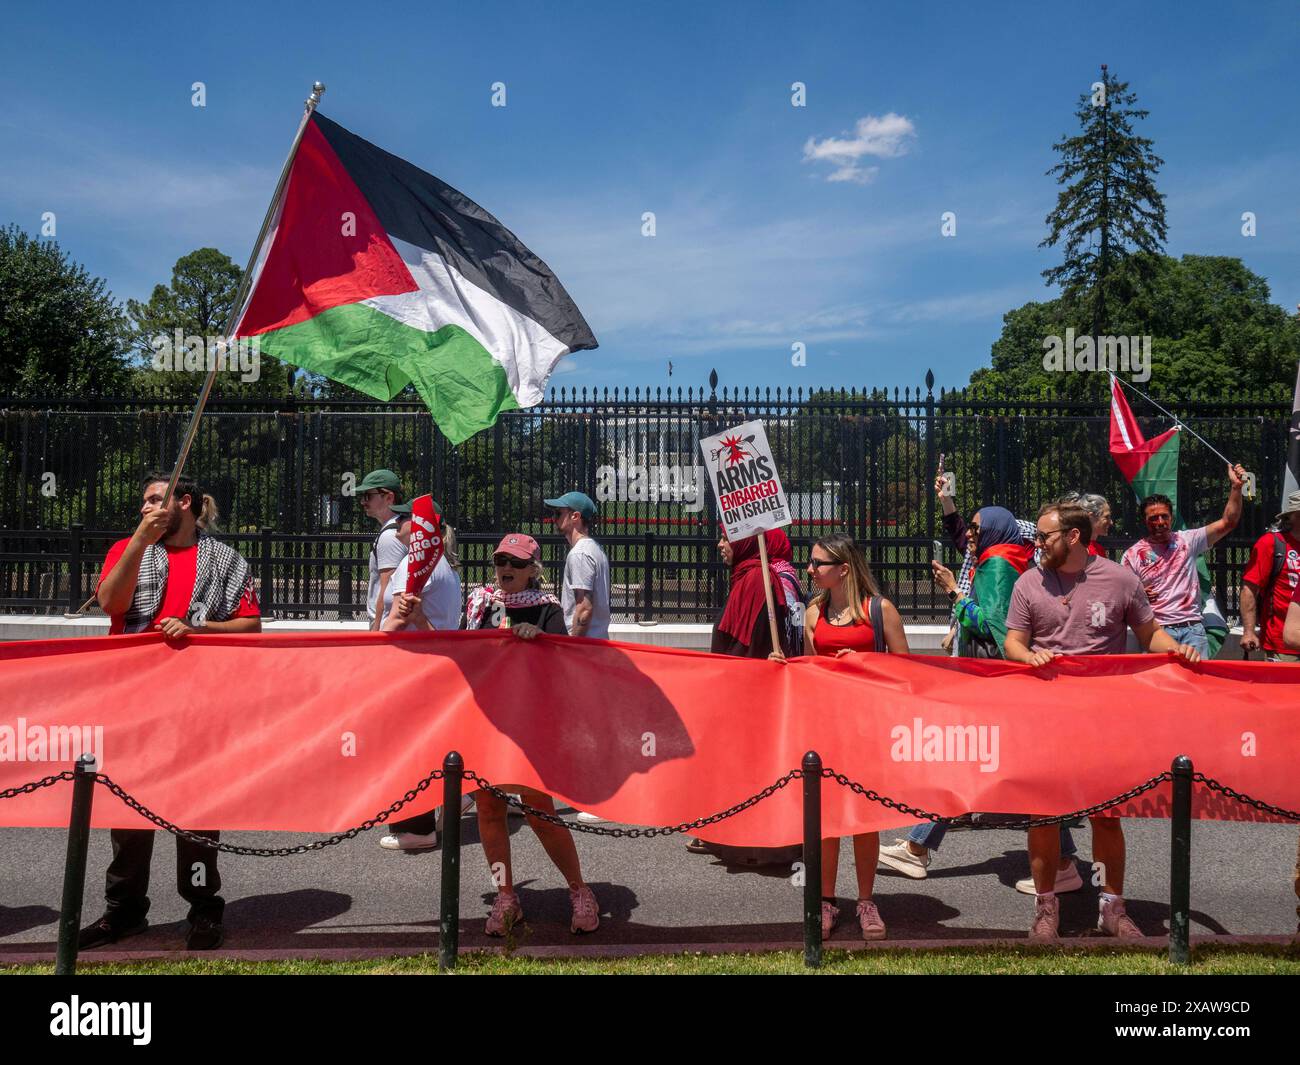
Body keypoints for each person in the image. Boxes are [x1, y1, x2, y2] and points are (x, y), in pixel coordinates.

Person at [80, 472, 261, 952]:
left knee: (196, 814)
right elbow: (110, 603)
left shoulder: (224, 559)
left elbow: (251, 624)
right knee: (128, 812)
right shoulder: (128, 549)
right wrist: (141, 539)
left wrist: (201, 632)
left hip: (198, 705)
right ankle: (124, 910)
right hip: (133, 700)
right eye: (142, 502)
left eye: (154, 500)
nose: (144, 508)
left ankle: (203, 907)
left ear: (185, 502)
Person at [1003, 502, 1201, 942]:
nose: (1037, 543)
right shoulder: (1027, 583)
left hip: (1104, 721)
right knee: (1044, 816)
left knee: (1108, 817)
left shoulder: (1120, 579)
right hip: (1047, 718)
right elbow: (1012, 643)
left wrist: (1177, 651)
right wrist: (1028, 654)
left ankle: (1112, 908)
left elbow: (1151, 635)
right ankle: (1045, 908)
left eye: (1045, 536)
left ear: (1073, 537)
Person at [884, 507, 1080, 891]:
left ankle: (918, 848)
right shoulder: (1007, 559)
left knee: (970, 764)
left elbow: (993, 627)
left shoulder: (996, 567)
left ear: (993, 530)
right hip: (1000, 684)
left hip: (991, 682)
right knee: (1008, 770)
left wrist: (954, 593)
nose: (971, 534)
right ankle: (1064, 862)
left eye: (976, 528)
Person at [465, 533, 601, 936]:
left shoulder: (547, 610)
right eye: (501, 560)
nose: (507, 568)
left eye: (517, 563)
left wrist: (540, 643)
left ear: (533, 571)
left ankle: (579, 890)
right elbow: (460, 655)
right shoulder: (478, 604)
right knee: (489, 809)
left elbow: (563, 665)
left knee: (538, 810)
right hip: (486, 721)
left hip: (530, 726)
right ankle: (505, 896)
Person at [801, 533, 907, 941]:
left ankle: (865, 900)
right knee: (825, 820)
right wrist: (785, 665)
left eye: (818, 564)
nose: (810, 570)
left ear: (844, 569)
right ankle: (826, 902)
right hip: (825, 726)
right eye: (810, 563)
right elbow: (810, 669)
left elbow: (907, 670)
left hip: (868, 728)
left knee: (865, 820)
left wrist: (865, 664)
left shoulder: (879, 610)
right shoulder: (814, 612)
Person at [377, 508, 468, 852]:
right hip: (435, 666)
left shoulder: (414, 567)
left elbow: (398, 620)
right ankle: (455, 795)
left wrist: (373, 645)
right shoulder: (443, 567)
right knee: (430, 744)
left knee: (407, 747)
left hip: (409, 667)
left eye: (404, 518)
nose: (397, 522)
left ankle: (415, 827)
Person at [1121, 463, 1246, 658]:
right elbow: (1124, 596)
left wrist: (1236, 487)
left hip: (1193, 630)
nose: (1160, 522)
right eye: (1153, 518)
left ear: (1171, 518)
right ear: (1144, 521)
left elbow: (1228, 522)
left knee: (1196, 687)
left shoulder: (1187, 540)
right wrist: (1139, 594)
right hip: (1156, 632)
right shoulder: (1132, 555)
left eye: (1164, 516)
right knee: (1160, 687)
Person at [710, 529, 795, 658]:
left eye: (726, 539)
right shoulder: (742, 575)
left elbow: (753, 641)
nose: (720, 544)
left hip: (745, 672)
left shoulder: (757, 579)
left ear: (742, 543)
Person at [1240, 491, 1300, 663]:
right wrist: (1249, 631)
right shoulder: (1271, 544)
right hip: (1282, 647)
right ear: (1293, 516)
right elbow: (1250, 589)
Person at [545, 491, 611, 640]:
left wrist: (573, 644)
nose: (553, 518)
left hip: (584, 646)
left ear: (575, 516)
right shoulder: (595, 549)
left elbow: (584, 609)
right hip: (595, 643)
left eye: (558, 513)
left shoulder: (579, 554)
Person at [357, 468, 407, 631]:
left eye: (368, 496)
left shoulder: (390, 536)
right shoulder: (399, 529)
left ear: (389, 497)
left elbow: (387, 590)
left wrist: (376, 630)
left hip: (386, 626)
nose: (363, 502)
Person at [1059, 491, 1113, 557]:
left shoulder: (1098, 548)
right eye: (1106, 517)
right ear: (1090, 517)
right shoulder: (1080, 549)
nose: (1111, 522)